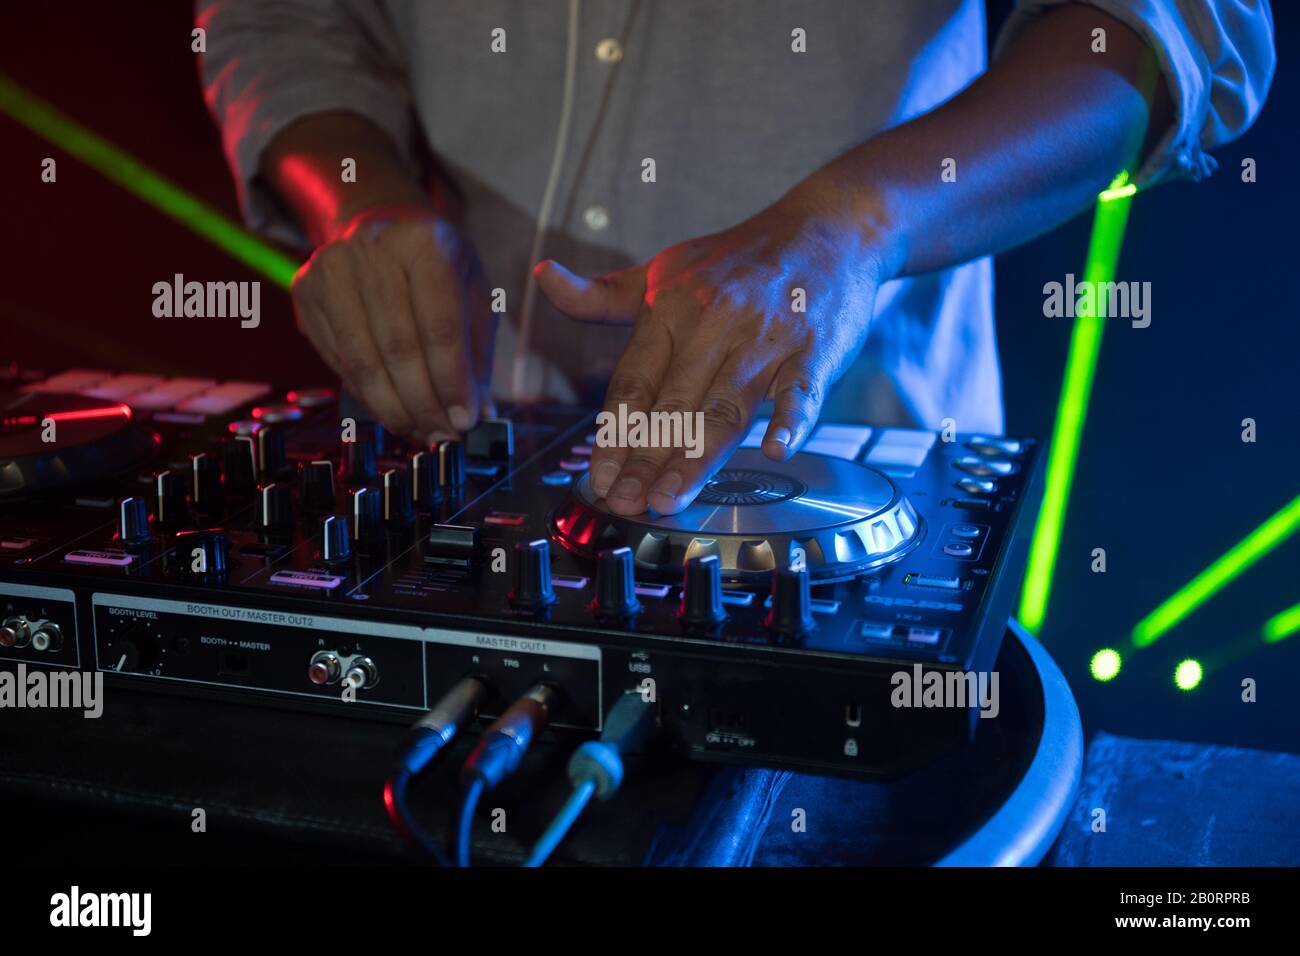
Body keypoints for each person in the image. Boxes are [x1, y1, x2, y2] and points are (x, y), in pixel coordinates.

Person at [199, 0, 1273, 516]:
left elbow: (1164, 24)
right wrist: (354, 198)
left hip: (861, 464)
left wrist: (854, 223)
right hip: (473, 459)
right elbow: (282, 19)